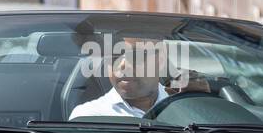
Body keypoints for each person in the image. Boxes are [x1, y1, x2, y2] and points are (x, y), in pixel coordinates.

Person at [69, 37, 208, 119]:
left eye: (135, 56)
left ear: (160, 60)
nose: (123, 64)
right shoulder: (88, 117)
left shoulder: (187, 108)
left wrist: (203, 103)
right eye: (114, 55)